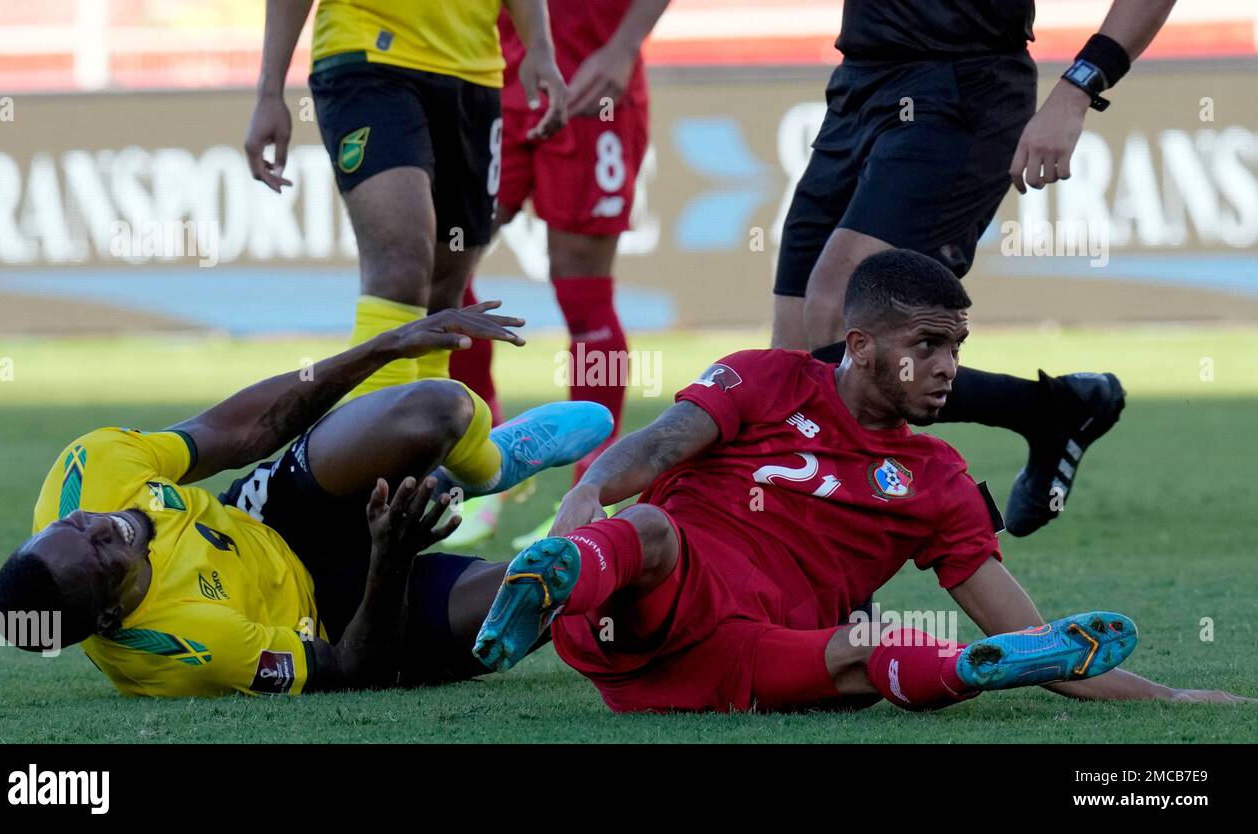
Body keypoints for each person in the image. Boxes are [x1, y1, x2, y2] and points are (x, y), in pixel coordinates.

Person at [471, 250, 1249, 712]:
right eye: (929, 345)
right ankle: (551, 583)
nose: (949, 366)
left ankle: (965, 674)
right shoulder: (765, 379)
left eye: (958, 346)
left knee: (869, 652)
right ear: (861, 345)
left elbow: (1023, 628)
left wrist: (1170, 698)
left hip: (742, 660)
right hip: (654, 602)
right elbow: (662, 443)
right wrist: (587, 491)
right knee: (649, 530)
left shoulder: (938, 479)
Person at [0, 303, 612, 696]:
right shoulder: (187, 652)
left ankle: (489, 465)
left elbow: (237, 433)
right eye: (100, 554)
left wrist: (382, 348)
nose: (107, 525)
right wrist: (387, 558)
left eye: (78, 524)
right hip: (339, 617)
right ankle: (584, 526)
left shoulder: (87, 469)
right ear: (106, 620)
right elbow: (351, 670)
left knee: (438, 408)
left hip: (271, 517)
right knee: (549, 585)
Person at [773, 0, 1178, 536]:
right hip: (856, 87)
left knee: (842, 311)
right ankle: (1050, 410)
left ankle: (854, 602)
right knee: (794, 366)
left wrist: (1079, 85)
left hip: (961, 88)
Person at [245, 0, 567, 399]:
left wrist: (540, 49)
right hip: (366, 59)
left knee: (444, 290)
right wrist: (269, 92)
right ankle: (366, 454)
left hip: (474, 73)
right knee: (401, 267)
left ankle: (426, 450)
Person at [447, 0, 671, 547]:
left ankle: (591, 491)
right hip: (498, 85)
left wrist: (622, 47)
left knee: (583, 297)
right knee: (444, 274)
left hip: (592, 87)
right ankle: (485, 459)